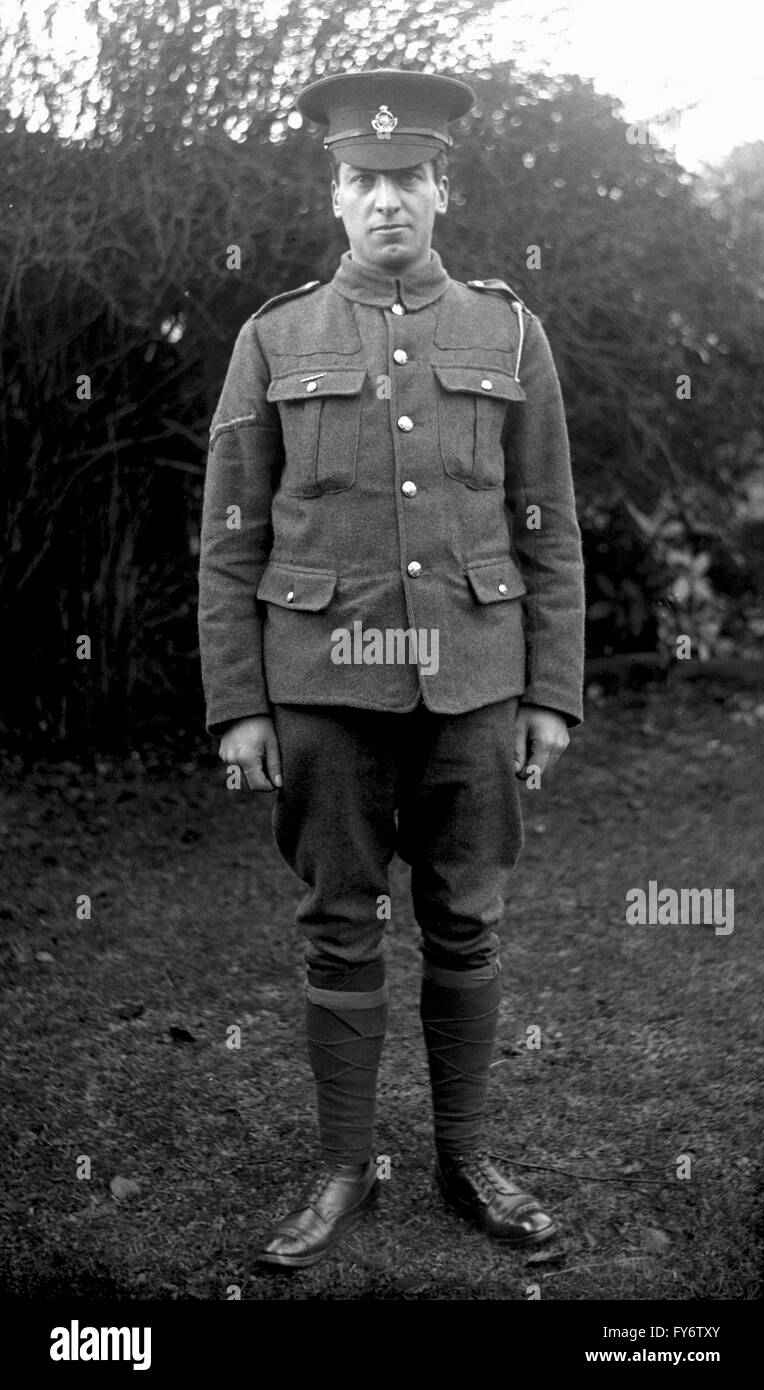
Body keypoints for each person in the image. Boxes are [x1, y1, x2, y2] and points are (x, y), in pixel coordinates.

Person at [197, 68, 585, 1270]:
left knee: (466, 925)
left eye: (406, 179)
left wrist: (550, 690)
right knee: (338, 930)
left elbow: (547, 524)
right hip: (321, 691)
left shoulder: (506, 330)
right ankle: (340, 1170)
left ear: (442, 191)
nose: (385, 201)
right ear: (335, 196)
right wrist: (238, 707)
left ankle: (466, 1158)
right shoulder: (273, 337)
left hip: (473, 682)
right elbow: (229, 535)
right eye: (362, 182)